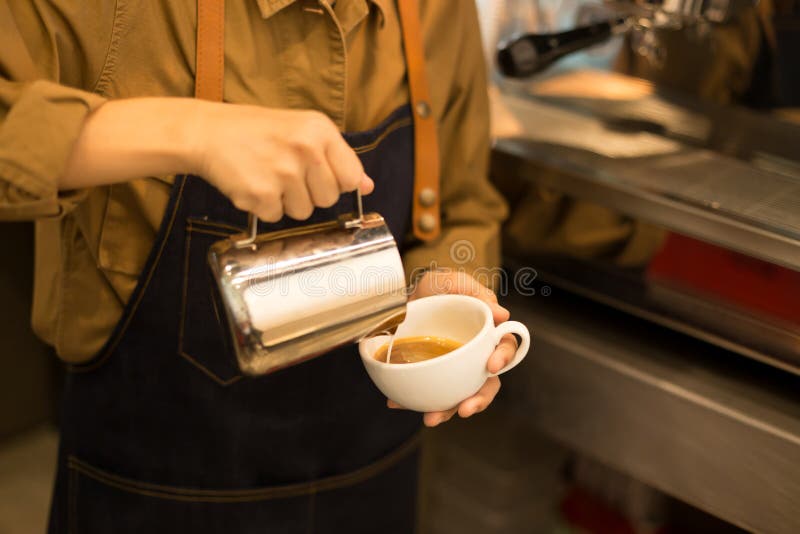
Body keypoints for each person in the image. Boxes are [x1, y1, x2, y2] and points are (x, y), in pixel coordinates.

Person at [0, 1, 514, 532]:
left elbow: (464, 201)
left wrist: (446, 300)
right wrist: (186, 132)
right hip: (156, 491)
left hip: (374, 479)